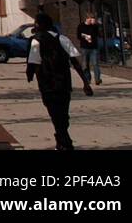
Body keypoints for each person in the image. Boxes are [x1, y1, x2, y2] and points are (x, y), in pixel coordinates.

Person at [26, 11, 93, 150]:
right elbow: (75, 62)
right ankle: (62, 141)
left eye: (36, 24)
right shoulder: (63, 39)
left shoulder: (36, 41)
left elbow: (33, 63)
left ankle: (65, 142)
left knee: (56, 115)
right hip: (64, 83)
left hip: (47, 84)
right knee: (62, 114)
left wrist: (30, 75)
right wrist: (85, 83)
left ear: (40, 25)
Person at [76, 14, 102, 85]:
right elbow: (78, 36)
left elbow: (99, 35)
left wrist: (95, 25)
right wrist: (85, 37)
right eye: (91, 19)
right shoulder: (81, 26)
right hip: (85, 47)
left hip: (94, 47)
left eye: (93, 19)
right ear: (87, 19)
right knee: (85, 64)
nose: (92, 20)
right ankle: (88, 79)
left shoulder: (94, 26)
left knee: (95, 63)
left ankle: (97, 79)